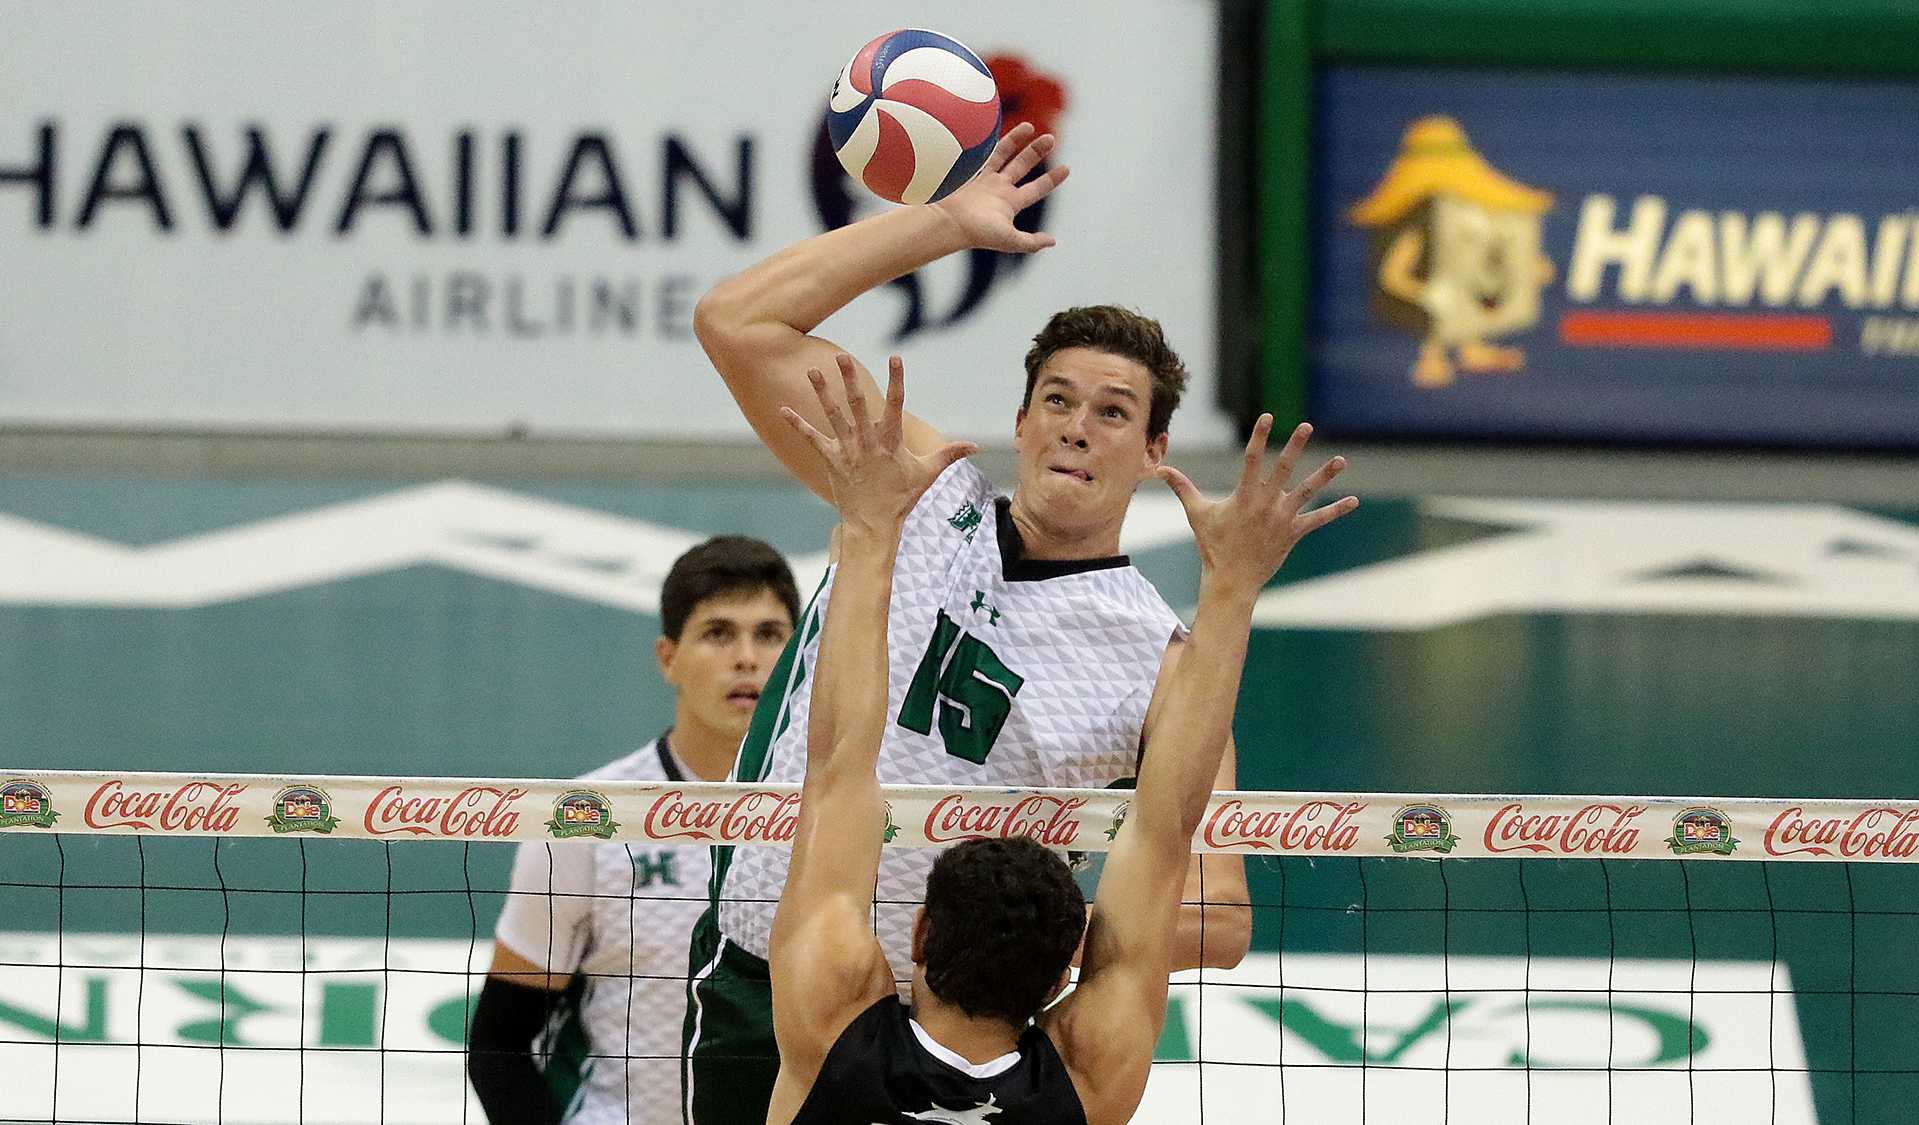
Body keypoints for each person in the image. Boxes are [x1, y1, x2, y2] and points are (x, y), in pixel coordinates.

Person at [684, 123, 1258, 1125]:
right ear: (1023, 421)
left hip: (974, 1027)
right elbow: (738, 324)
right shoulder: (907, 489)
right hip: (772, 973)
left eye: (1113, 412)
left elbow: (1216, 914)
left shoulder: (1158, 661)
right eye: (1057, 399)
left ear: (1156, 448)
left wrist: (1009, 934)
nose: (1078, 424)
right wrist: (941, 223)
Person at [766, 360, 1354, 1125]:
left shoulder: (828, 1019)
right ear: (1056, 985)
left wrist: (872, 526)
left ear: (915, 934)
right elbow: (1164, 830)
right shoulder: (1089, 1076)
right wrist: (1233, 590)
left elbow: (839, 762)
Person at [467, 536, 799, 1125]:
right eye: (718, 633)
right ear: (667, 657)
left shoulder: (839, 818)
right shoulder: (585, 819)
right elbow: (499, 1044)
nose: (747, 658)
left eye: (770, 635)